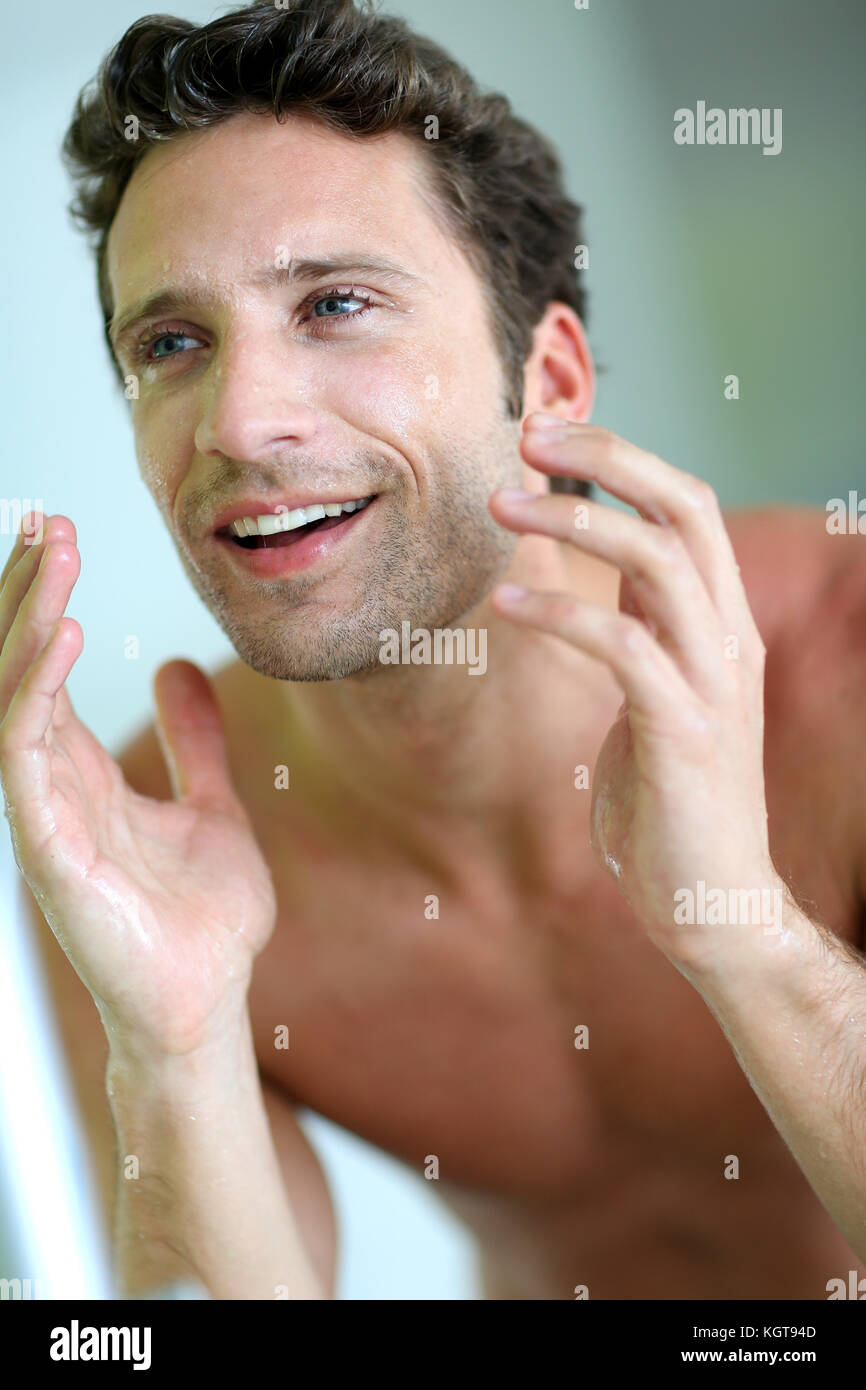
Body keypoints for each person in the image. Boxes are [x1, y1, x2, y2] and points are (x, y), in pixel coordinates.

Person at [1, 0, 864, 1300]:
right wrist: (174, 1046)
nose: (238, 420)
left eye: (336, 304)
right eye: (171, 343)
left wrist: (746, 935)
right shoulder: (154, 839)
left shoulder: (847, 660)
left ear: (551, 381)